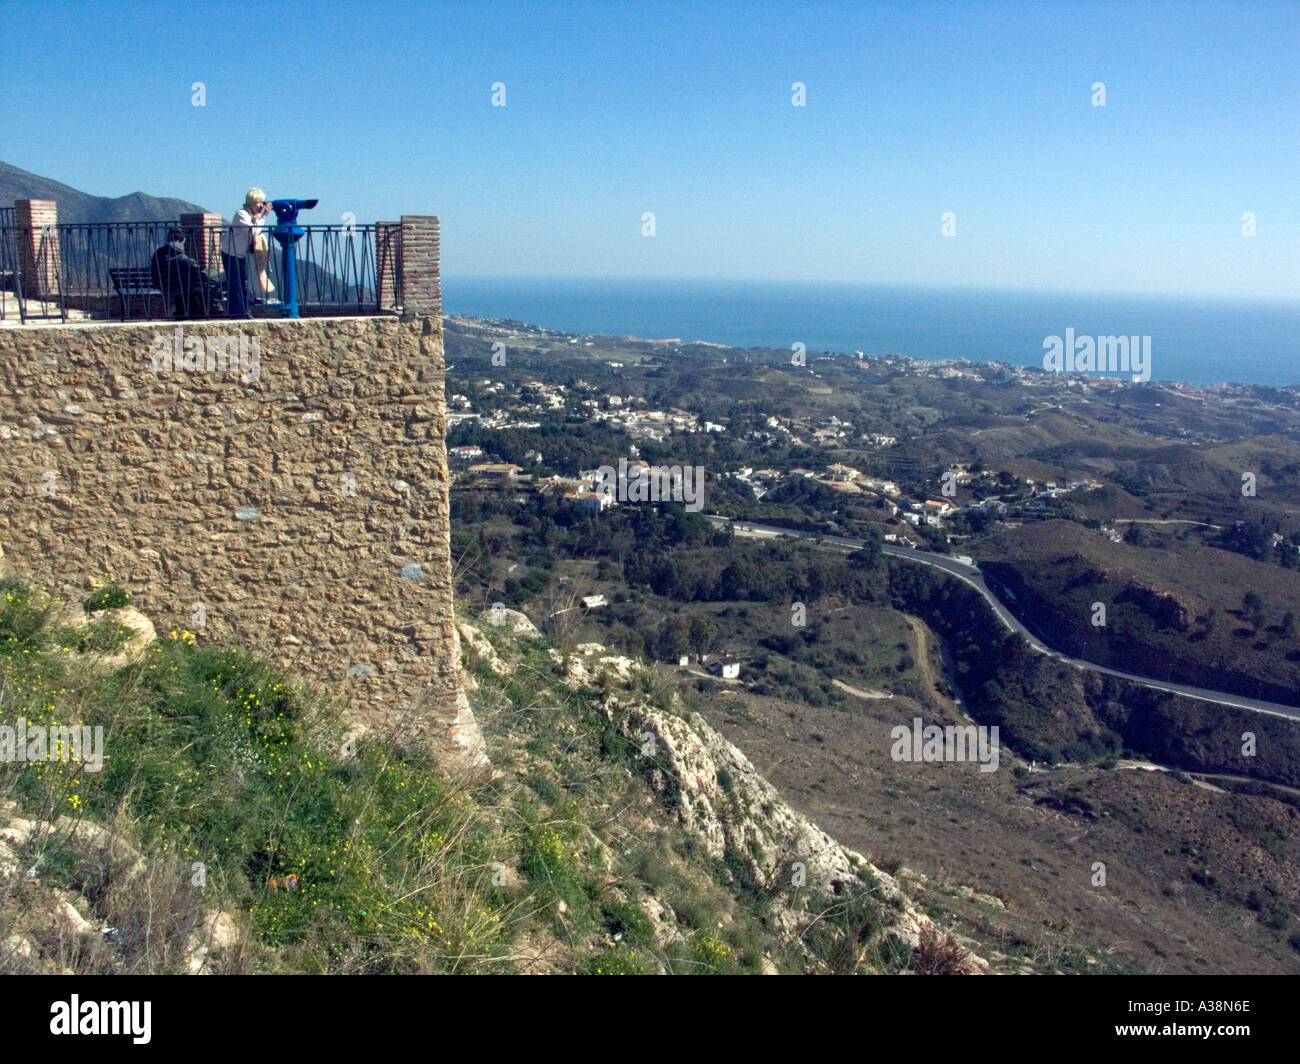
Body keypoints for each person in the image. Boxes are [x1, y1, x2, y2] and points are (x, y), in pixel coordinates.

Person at [151, 227, 224, 318]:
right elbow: (200, 275)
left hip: (164, 288)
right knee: (213, 281)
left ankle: (179, 332)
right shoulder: (182, 259)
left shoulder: (158, 255)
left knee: (179, 326)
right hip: (185, 293)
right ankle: (218, 307)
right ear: (182, 240)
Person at [220, 188, 271, 318]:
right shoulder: (241, 214)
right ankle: (238, 313)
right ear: (249, 203)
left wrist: (258, 217)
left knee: (242, 281)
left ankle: (241, 311)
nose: (260, 206)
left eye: (262, 203)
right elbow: (252, 231)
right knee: (236, 283)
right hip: (231, 252)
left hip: (240, 253)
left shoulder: (251, 216)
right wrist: (264, 216)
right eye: (257, 203)